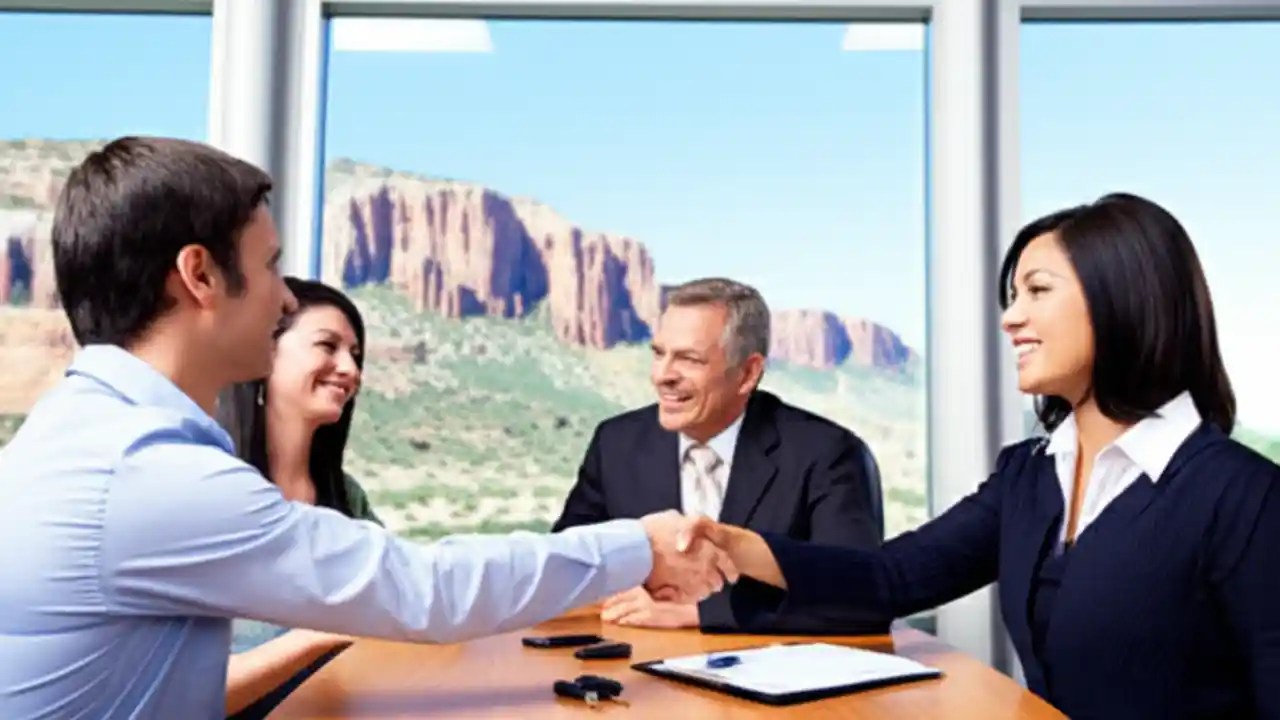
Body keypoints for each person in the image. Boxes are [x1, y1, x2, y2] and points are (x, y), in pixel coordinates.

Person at [0, 136, 733, 720]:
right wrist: (639, 546)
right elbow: (425, 590)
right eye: (270, 265)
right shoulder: (146, 472)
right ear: (200, 275)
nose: (286, 298)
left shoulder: (82, 434)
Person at [677, 193, 1280, 719]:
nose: (1011, 318)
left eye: (1037, 291)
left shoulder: (1247, 499)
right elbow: (892, 577)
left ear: (1121, 300)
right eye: (1013, 296)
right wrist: (733, 546)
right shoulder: (1029, 475)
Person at [553, 277, 887, 634]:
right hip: (639, 656)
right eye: (659, 353)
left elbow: (859, 595)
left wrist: (700, 612)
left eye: (689, 359)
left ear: (747, 373)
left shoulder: (829, 454)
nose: (662, 376)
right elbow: (565, 564)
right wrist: (617, 585)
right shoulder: (616, 442)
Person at [214, 277, 379, 718]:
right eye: (327, 346)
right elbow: (176, 691)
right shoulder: (210, 497)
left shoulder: (345, 497)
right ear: (265, 353)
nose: (350, 370)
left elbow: (397, 587)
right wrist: (320, 636)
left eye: (356, 355)